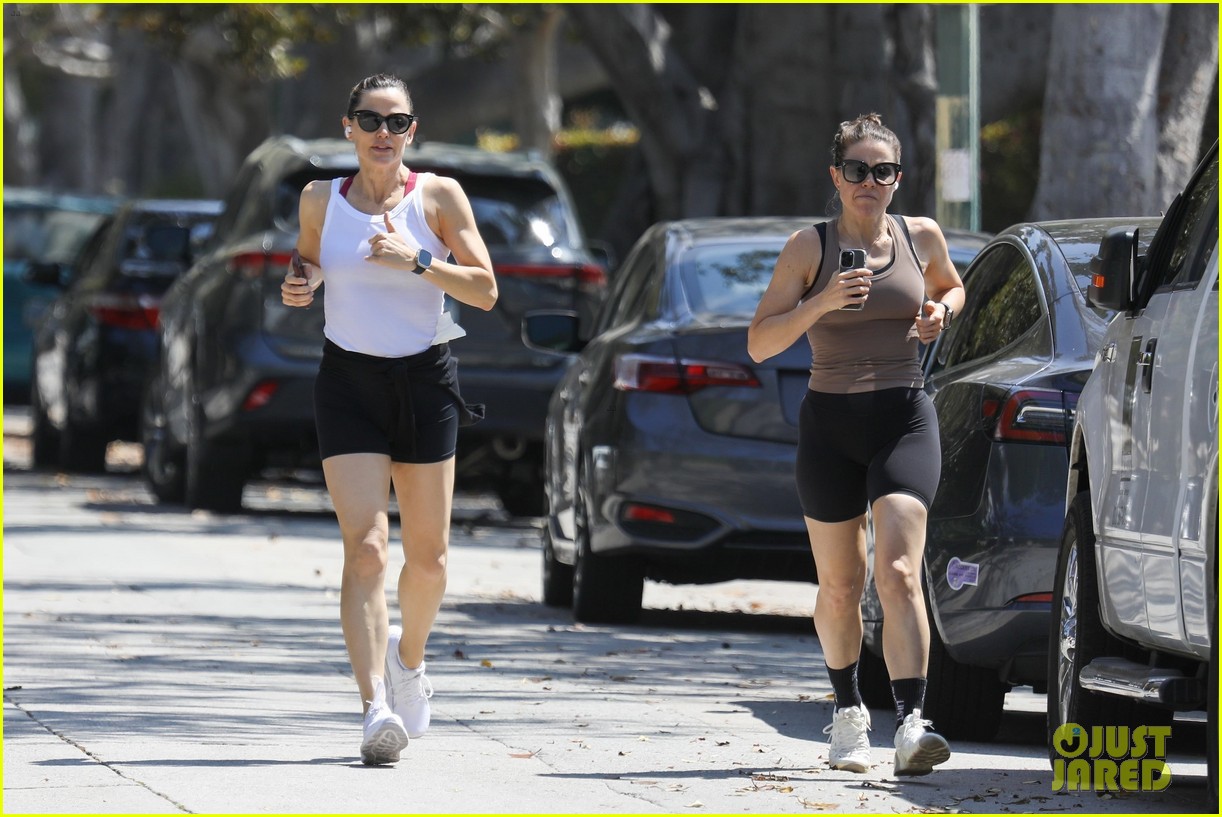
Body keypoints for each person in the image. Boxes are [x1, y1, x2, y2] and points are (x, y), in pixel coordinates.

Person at [281, 73, 498, 766]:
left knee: (428, 557)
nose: (384, 133)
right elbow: (311, 265)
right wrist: (301, 281)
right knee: (368, 547)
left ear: (413, 131)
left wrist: (420, 260)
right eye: (370, 120)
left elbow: (487, 290)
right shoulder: (319, 199)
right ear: (347, 127)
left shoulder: (436, 197)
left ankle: (409, 660)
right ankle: (375, 704)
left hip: (427, 379)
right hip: (347, 380)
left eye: (397, 122)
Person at [747, 113, 965, 777]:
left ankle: (913, 722)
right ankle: (847, 711)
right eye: (856, 170)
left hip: (903, 416)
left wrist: (939, 314)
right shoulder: (807, 249)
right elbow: (760, 341)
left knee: (898, 573)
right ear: (835, 177)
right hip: (830, 426)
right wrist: (820, 303)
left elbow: (954, 285)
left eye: (883, 170)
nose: (869, 182)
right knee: (842, 586)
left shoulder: (920, 236)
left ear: (898, 179)